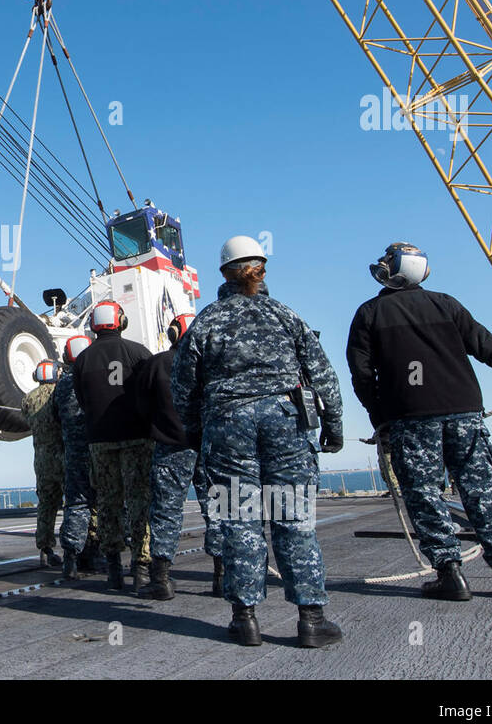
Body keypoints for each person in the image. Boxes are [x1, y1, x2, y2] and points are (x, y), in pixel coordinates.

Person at [346, 242, 492, 600]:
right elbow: (490, 347)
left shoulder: (369, 314)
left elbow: (361, 375)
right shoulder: (446, 304)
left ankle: (450, 575)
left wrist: (380, 417)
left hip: (409, 419)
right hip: (465, 414)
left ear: (393, 269)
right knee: (481, 491)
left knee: (423, 494)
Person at [173, 236, 344, 648]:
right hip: (285, 423)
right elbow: (323, 376)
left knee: (238, 519)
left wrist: (195, 432)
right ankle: (311, 619)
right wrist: (333, 427)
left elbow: (183, 390)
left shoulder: (207, 321)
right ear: (262, 270)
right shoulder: (286, 315)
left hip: (228, 427)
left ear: (223, 273)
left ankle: (245, 618)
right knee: (292, 517)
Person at [136, 313, 221, 600]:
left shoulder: (156, 363)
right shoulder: (210, 365)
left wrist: (157, 427)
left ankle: (161, 579)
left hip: (170, 449)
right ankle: (222, 578)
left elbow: (140, 405)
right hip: (210, 448)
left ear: (174, 334)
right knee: (218, 510)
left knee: (165, 513)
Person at [73, 300, 154, 592]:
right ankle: (142, 569)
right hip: (136, 438)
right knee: (139, 500)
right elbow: (151, 393)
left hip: (100, 440)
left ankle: (114, 570)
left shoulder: (82, 360)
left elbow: (82, 401)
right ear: (120, 320)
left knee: (107, 503)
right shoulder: (139, 353)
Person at [55, 335, 99, 579]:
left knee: (76, 503)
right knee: (102, 502)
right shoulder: (95, 379)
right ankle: (95, 554)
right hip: (96, 447)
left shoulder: (62, 385)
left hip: (72, 451)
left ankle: (70, 559)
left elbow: (55, 415)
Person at [21, 360, 64, 568]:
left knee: (46, 505)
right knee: (76, 503)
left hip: (41, 458)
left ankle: (45, 550)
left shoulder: (28, 398)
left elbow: (26, 417)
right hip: (63, 455)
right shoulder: (60, 393)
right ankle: (77, 549)